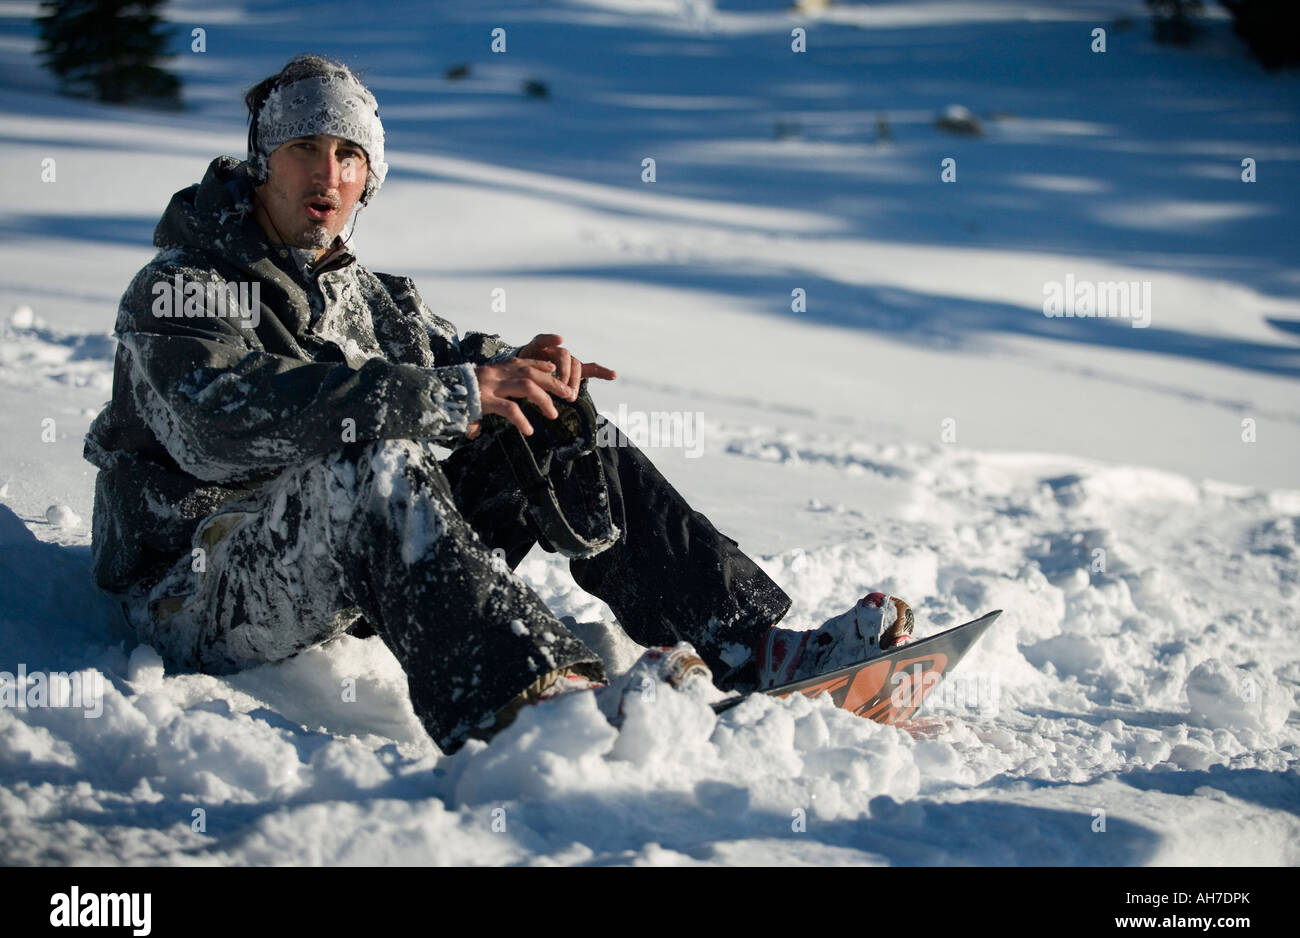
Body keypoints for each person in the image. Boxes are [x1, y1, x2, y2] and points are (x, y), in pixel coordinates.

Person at [83, 54, 914, 754]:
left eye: (350, 155)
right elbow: (215, 427)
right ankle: (531, 705)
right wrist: (452, 393)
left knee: (547, 421)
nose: (327, 175)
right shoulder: (185, 286)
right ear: (265, 161)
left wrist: (523, 370)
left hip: (338, 576)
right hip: (199, 587)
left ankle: (748, 645)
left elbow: (451, 355)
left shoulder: (362, 292)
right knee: (371, 458)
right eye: (305, 147)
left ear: (370, 176)